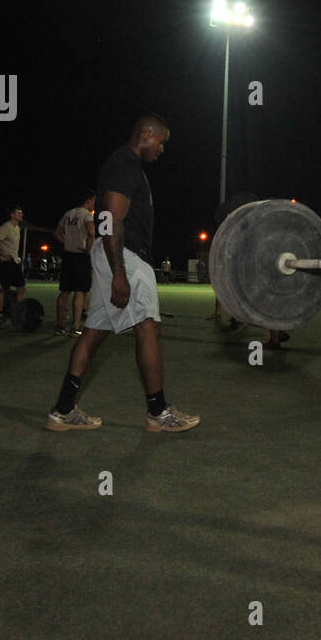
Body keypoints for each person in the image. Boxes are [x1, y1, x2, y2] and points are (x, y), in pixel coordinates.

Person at [44, 115, 199, 433]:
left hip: (113, 253)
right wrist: (119, 272)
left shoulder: (123, 164)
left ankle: (63, 410)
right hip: (124, 255)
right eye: (161, 141)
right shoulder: (126, 163)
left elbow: (105, 220)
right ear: (146, 134)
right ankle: (158, 412)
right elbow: (110, 218)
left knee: (94, 332)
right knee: (148, 327)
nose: (162, 149)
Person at [54, 192, 96, 336]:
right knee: (80, 292)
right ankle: (75, 327)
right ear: (88, 201)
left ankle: (59, 326)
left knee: (64, 291)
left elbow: (57, 233)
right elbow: (91, 233)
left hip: (68, 255)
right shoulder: (87, 215)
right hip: (81, 256)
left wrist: (66, 242)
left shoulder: (68, 214)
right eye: (94, 201)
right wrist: (87, 249)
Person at [0, 207, 27, 326]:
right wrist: (0, 257)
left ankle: (17, 314)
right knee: (2, 289)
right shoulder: (6, 227)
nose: (21, 215)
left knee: (21, 288)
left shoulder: (18, 228)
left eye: (21, 213)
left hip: (14, 262)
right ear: (12, 215)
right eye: (19, 213)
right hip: (5, 263)